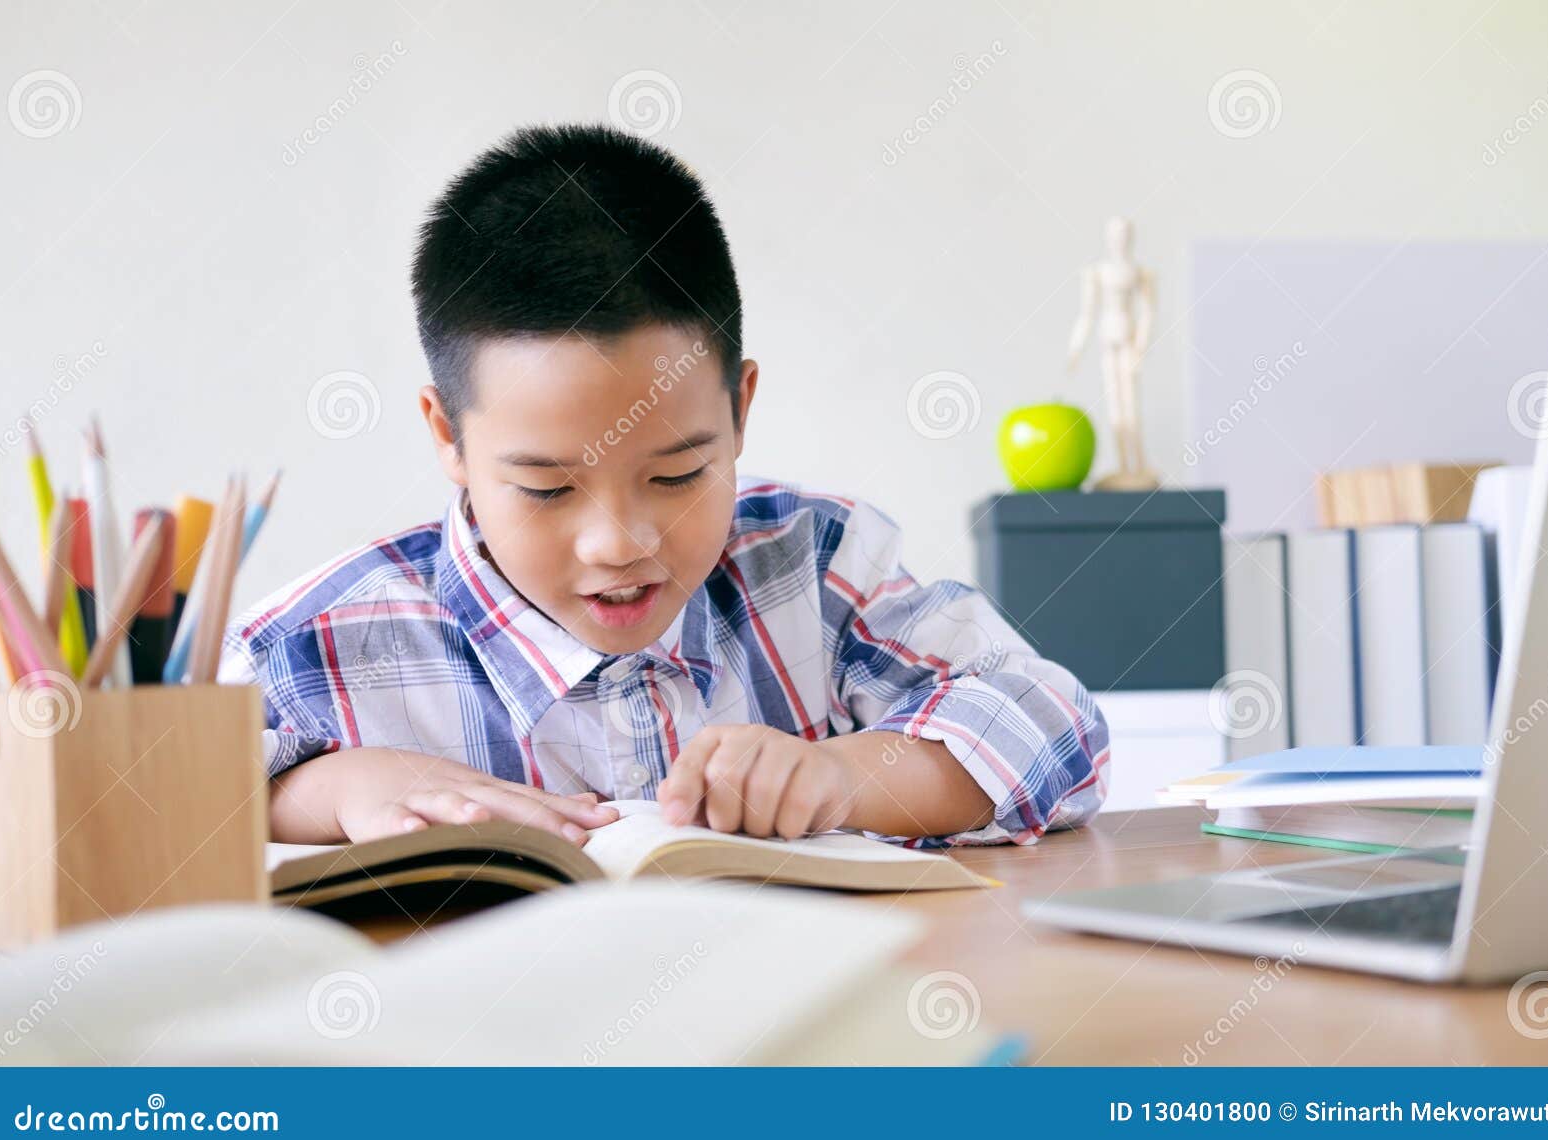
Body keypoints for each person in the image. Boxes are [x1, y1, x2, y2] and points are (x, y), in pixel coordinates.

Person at [220, 123, 1110, 849]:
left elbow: (1052, 719)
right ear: (447, 435)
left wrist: (841, 777)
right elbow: (127, 801)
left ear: (741, 407)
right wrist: (326, 788)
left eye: (679, 473)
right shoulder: (312, 651)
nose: (620, 541)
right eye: (546, 488)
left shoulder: (814, 568)